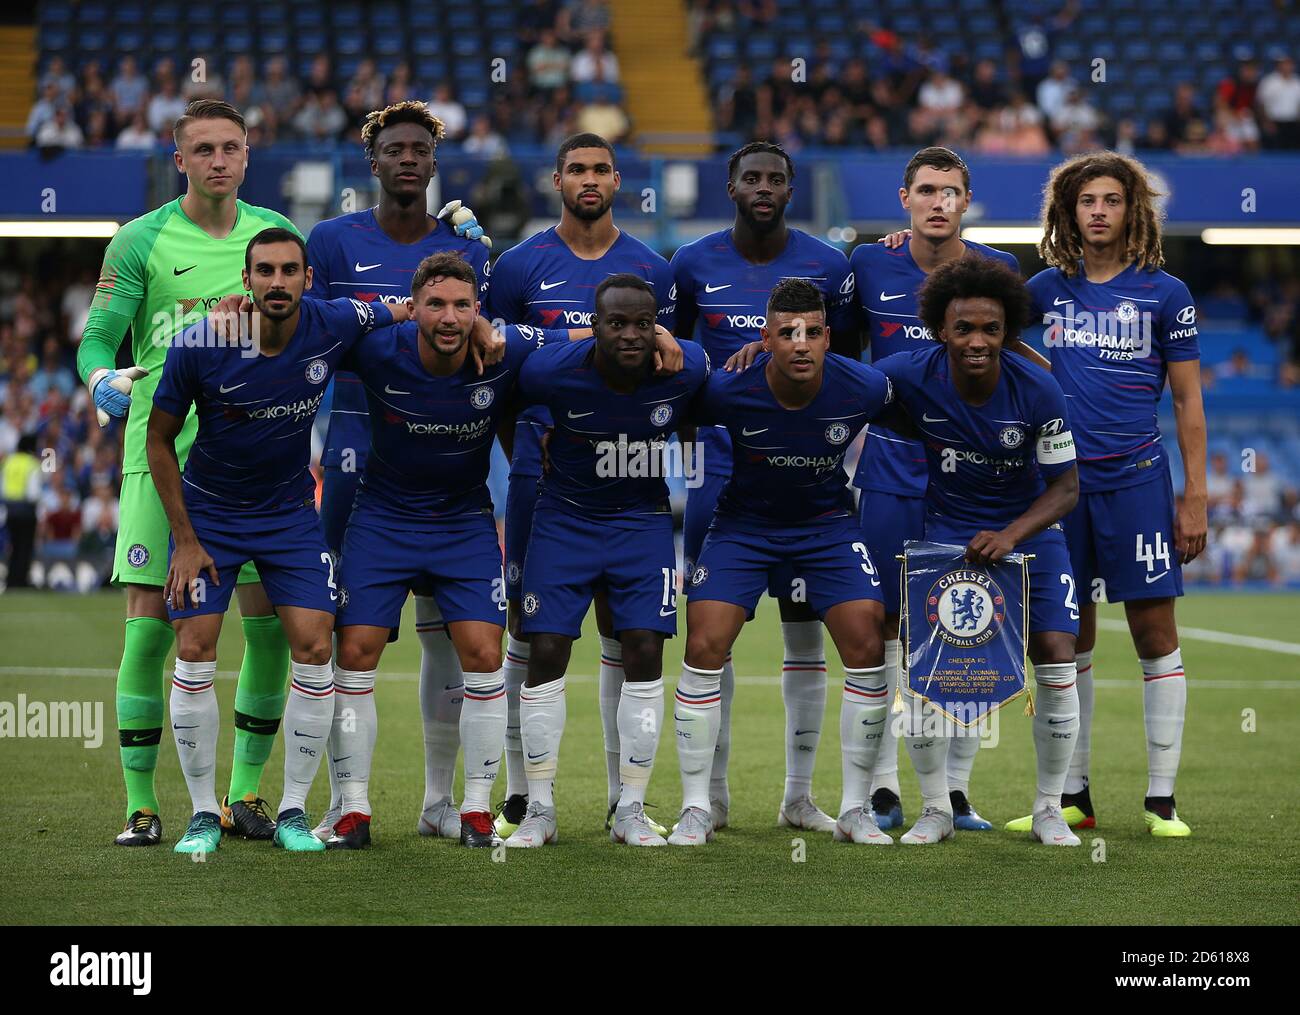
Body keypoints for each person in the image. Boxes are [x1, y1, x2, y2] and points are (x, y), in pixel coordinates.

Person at [78, 100, 303, 847]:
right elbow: (98, 340)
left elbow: (318, 328)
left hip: (256, 465)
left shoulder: (277, 238)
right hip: (161, 461)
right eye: (201, 149)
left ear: (247, 153)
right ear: (179, 159)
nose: (217, 161)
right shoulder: (140, 240)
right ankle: (142, 806)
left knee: (268, 631)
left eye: (229, 148)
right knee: (150, 635)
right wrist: (99, 379)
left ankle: (244, 794)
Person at [146, 228, 404, 855]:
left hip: (289, 512)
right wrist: (183, 538)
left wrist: (477, 324)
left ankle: (291, 810)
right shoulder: (203, 342)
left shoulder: (334, 322)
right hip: (209, 513)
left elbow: (402, 306)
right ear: (247, 279)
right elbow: (158, 439)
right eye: (265, 271)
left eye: (290, 270)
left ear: (308, 279)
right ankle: (205, 813)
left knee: (316, 645)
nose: (278, 282)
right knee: (196, 645)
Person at [322, 254, 570, 849]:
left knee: (485, 655)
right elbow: (311, 322)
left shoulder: (503, 354)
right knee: (355, 652)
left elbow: (583, 337)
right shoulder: (379, 349)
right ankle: (351, 809)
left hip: (462, 522)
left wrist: (662, 334)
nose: (450, 316)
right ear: (414, 310)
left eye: (463, 305)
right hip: (381, 517)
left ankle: (476, 811)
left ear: (478, 310)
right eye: (435, 304)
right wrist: (235, 314)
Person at [297, 99, 492, 844]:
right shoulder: (332, 241)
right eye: (394, 150)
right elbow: (309, 338)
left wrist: (492, 256)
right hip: (355, 450)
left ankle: (443, 801)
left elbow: (491, 348)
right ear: (372, 162)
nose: (408, 159)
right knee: (346, 635)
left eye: (420, 149)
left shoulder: (465, 247)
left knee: (450, 636)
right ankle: (342, 799)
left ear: (434, 162)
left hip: (446, 458)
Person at [844, 147, 1047, 832]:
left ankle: (955, 790)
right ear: (905, 198)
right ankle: (880, 784)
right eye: (926, 190)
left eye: (951, 191)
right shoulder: (870, 263)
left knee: (966, 620)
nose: (938, 202)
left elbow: (1013, 356)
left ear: (967, 200)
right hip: (893, 465)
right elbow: (848, 357)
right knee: (883, 625)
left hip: (969, 474)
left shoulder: (999, 270)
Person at [483, 132, 678, 839]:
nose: (589, 179)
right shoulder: (518, 266)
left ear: (617, 180)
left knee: (629, 637)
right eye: (577, 169)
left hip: (631, 482)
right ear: (556, 179)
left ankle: (622, 799)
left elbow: (673, 368)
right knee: (533, 635)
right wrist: (526, 455)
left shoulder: (654, 267)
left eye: (601, 169)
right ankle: (522, 790)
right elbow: (499, 375)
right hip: (544, 480)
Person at [1009, 151, 1205, 837]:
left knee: (1154, 632)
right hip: (1060, 488)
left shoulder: (1165, 293)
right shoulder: (1044, 288)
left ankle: (1161, 799)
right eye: (1085, 200)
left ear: (1132, 210)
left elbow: (1186, 401)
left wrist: (1195, 496)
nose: (1097, 210)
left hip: (1138, 482)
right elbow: (980, 318)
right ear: (1069, 211)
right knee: (1069, 635)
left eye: (1110, 200)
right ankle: (1075, 795)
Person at [671, 141, 857, 833]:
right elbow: (679, 364)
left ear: (790, 187)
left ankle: (798, 796)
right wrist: (693, 452)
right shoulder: (691, 264)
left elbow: (850, 358)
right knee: (708, 637)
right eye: (751, 176)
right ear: (730, 186)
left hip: (808, 475)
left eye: (776, 178)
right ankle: (710, 797)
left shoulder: (830, 265)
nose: (763, 187)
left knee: (805, 634)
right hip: (720, 475)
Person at [670, 278, 894, 847]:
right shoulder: (728, 390)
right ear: (765, 338)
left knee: (867, 641)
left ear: (828, 338)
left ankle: (854, 809)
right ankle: (698, 806)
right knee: (703, 646)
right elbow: (669, 405)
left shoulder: (864, 387)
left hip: (827, 528)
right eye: (787, 333)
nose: (801, 344)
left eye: (813, 333)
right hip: (744, 527)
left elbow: (928, 411)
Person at [874, 256, 1083, 846]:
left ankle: (1047, 808)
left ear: (1007, 333)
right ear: (940, 329)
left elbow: (1067, 488)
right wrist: (761, 354)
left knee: (1056, 652)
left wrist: (1013, 534)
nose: (976, 341)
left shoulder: (1038, 389)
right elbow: (839, 386)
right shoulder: (909, 375)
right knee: (926, 667)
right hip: (947, 535)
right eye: (963, 328)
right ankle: (936, 808)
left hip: (1030, 534)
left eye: (990, 330)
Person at [504, 274, 709, 848]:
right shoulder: (551, 370)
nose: (629, 334)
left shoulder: (684, 369)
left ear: (656, 326)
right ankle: (540, 808)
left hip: (642, 523)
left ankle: (631, 808)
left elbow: (701, 400)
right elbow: (509, 397)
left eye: (642, 324)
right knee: (544, 649)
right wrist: (540, 437)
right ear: (594, 327)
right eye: (615, 323)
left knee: (643, 648)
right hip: (563, 519)